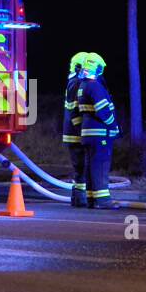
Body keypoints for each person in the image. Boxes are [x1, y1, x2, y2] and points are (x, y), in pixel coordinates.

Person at [77, 52, 119, 209]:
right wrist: (113, 126)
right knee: (100, 166)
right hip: (99, 133)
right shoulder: (94, 86)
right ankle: (103, 200)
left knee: (90, 166)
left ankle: (92, 199)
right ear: (97, 67)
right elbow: (103, 110)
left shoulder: (83, 85)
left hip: (88, 133)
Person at [61, 52, 88, 207]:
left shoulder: (75, 81)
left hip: (75, 132)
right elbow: (73, 110)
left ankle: (79, 197)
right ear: (78, 67)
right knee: (80, 166)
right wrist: (80, 130)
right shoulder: (75, 83)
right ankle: (79, 198)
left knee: (81, 166)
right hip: (75, 133)